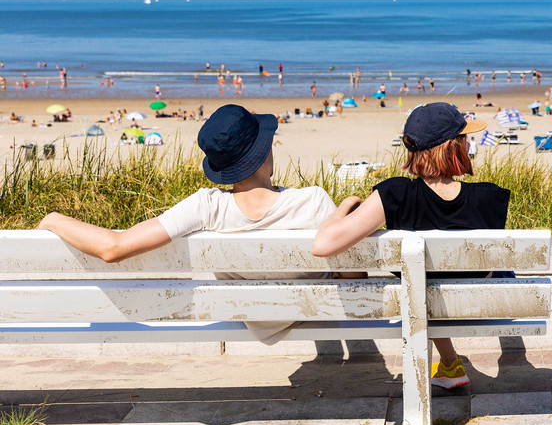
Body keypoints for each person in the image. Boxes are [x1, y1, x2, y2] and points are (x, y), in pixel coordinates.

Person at [37, 105, 360, 344]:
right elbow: (354, 278)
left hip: (255, 317)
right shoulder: (313, 201)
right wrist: (346, 207)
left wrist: (54, 219)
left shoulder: (207, 206)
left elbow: (113, 248)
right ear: (264, 154)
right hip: (310, 309)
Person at [313, 103, 505, 389]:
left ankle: (451, 364)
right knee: (437, 282)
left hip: (418, 298)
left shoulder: (395, 195)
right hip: (477, 302)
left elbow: (323, 245)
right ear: (453, 149)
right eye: (464, 139)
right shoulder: (490, 197)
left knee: (422, 282)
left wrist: (346, 205)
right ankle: (450, 364)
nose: (468, 144)